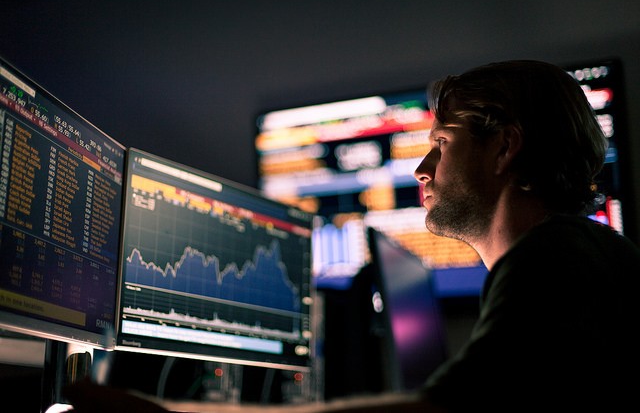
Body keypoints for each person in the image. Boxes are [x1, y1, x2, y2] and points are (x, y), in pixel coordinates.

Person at [63, 60, 640, 412]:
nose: (422, 171)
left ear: (505, 146)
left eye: (441, 145)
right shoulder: (579, 254)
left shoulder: (555, 258)